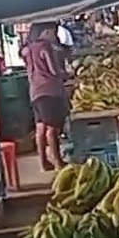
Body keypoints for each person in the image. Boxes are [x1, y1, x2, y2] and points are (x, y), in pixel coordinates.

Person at [22, 21, 70, 171]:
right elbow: (53, 70)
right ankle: (58, 162)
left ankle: (43, 162)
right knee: (52, 128)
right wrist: (68, 74)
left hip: (35, 91)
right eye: (53, 32)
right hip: (49, 90)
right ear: (45, 32)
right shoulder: (45, 47)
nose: (54, 36)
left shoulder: (27, 49)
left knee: (40, 128)